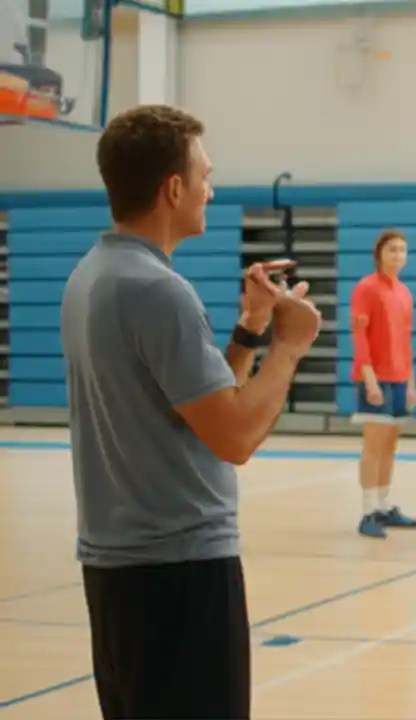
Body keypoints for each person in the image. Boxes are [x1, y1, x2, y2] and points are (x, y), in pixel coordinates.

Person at [60, 104, 321, 720]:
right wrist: (288, 346)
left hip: (119, 573)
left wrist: (252, 327)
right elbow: (231, 435)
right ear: (173, 188)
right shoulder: (159, 291)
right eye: (205, 174)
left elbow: (196, 408)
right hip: (178, 575)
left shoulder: (92, 276)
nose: (211, 187)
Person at [348, 229, 416, 539]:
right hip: (374, 377)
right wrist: (369, 379)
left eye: (402, 250)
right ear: (379, 254)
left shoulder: (404, 292)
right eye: (392, 250)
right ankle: (367, 511)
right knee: (374, 444)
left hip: (399, 377)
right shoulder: (366, 289)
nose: (398, 255)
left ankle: (383, 504)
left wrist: (411, 381)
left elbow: (406, 340)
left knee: (390, 444)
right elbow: (360, 336)